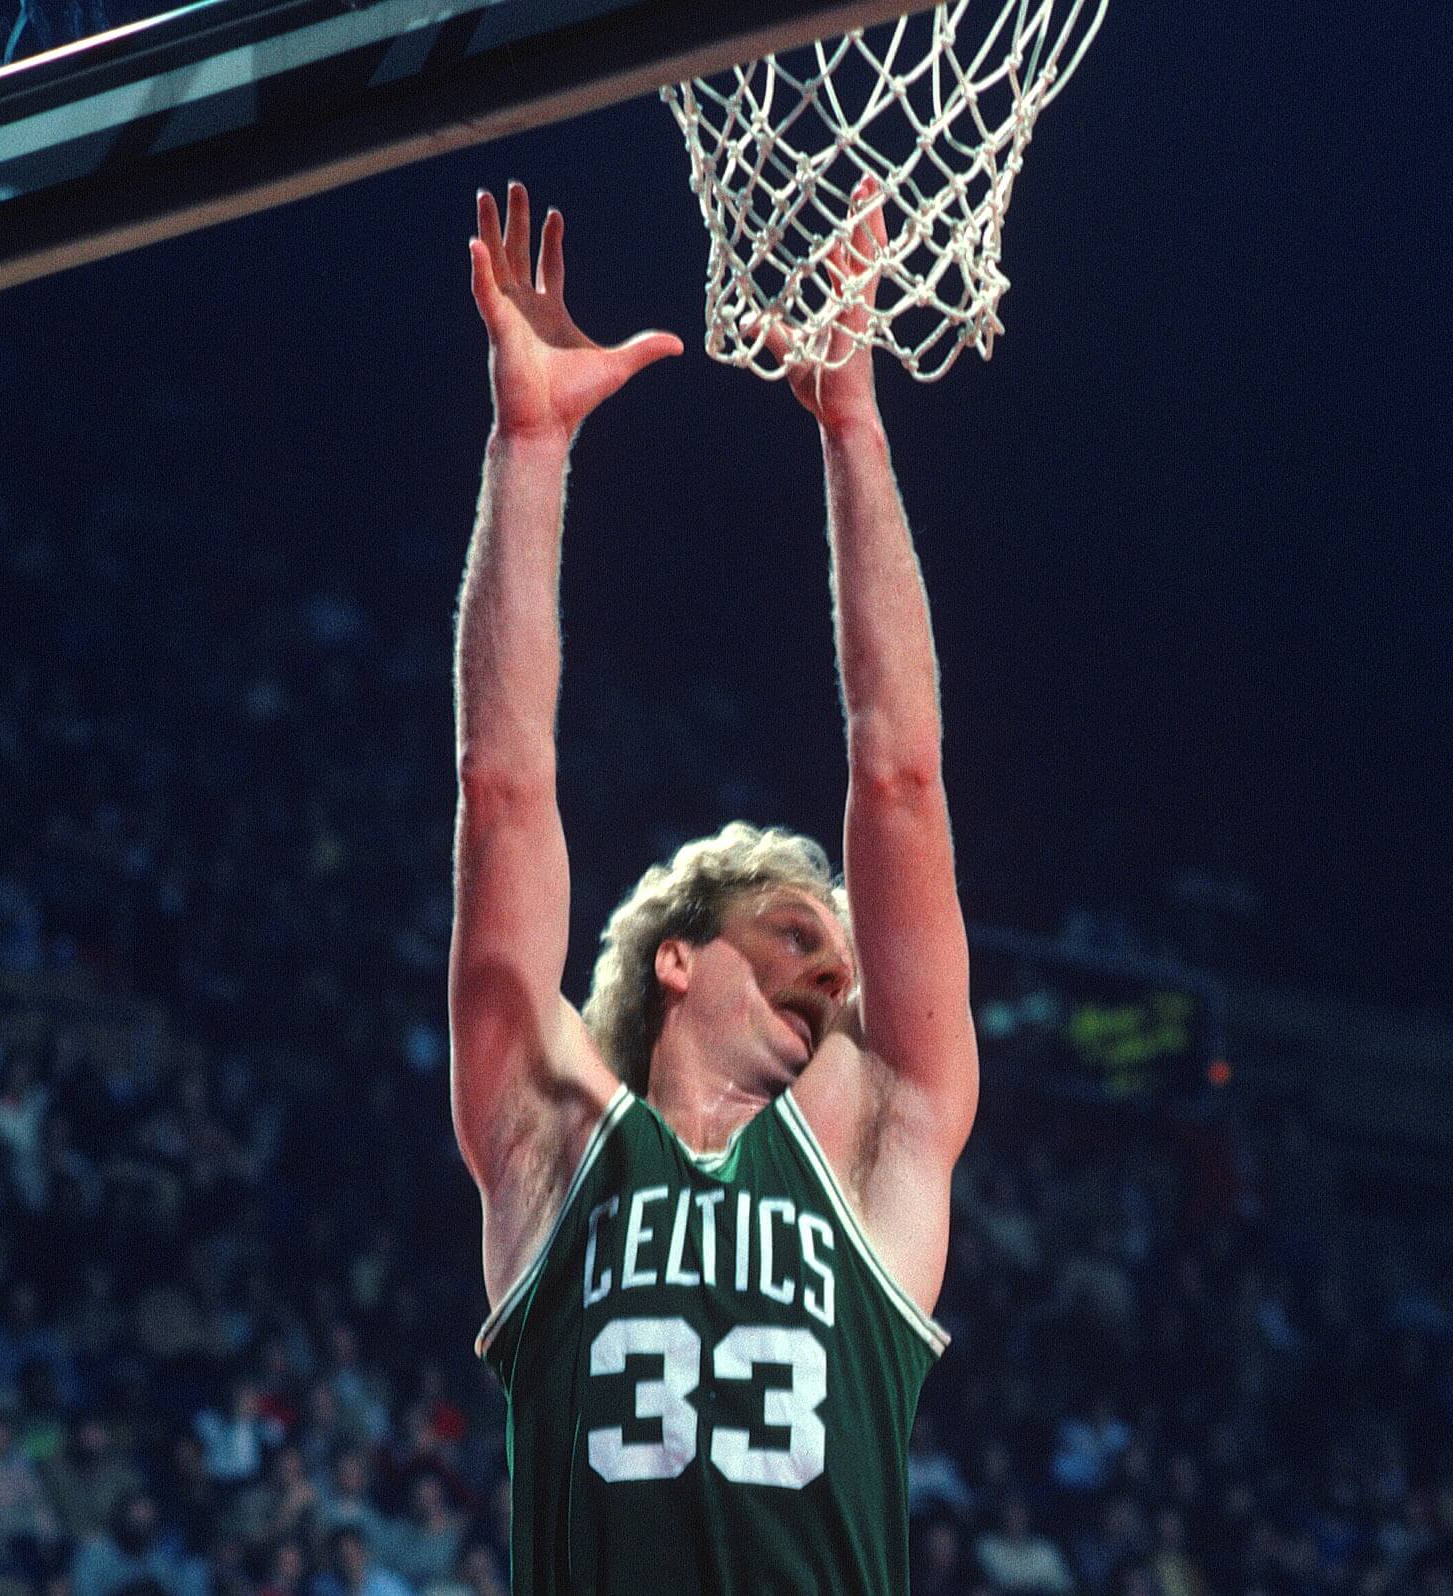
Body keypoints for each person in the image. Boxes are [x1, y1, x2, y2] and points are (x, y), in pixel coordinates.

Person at [450, 180, 977, 1593]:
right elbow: (502, 789)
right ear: (676, 957)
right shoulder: (554, 1138)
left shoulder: (878, 1152)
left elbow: (901, 777)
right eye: (795, 932)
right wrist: (530, 446)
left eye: (838, 950)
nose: (836, 964)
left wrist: (854, 428)